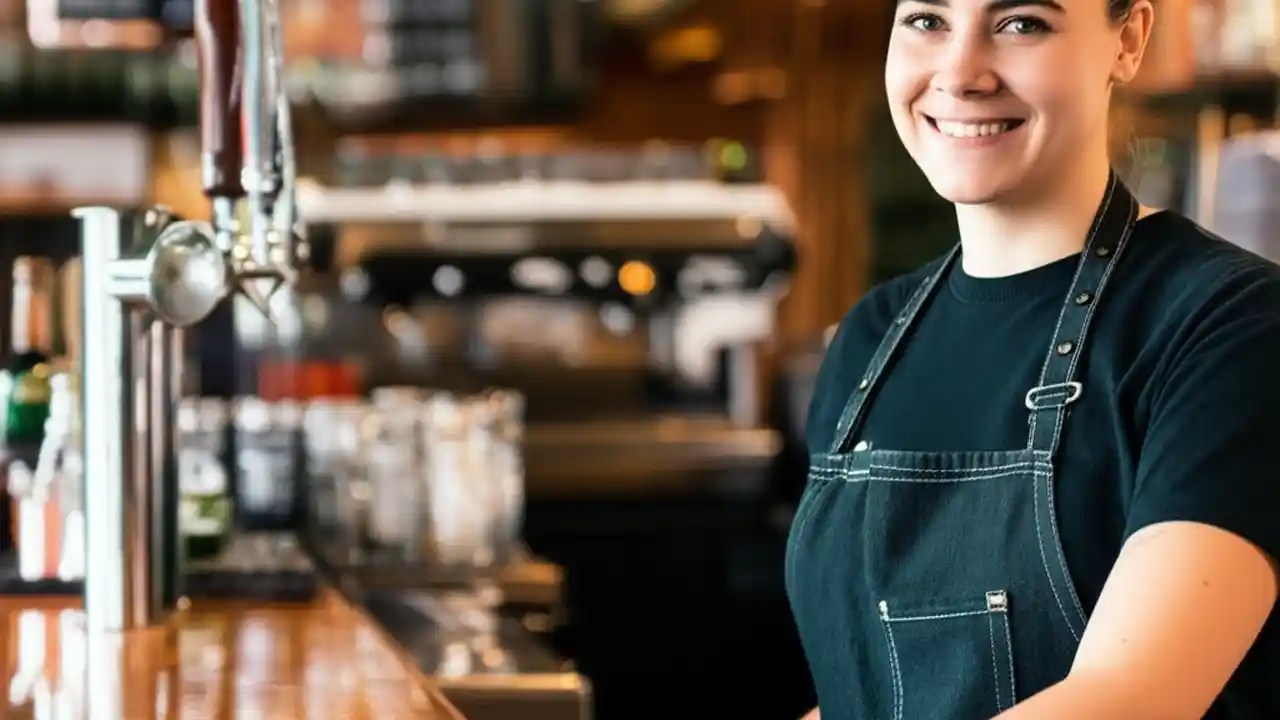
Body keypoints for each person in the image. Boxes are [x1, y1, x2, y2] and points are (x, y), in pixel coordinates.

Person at [785, 0, 1280, 718]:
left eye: (1021, 23)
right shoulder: (870, 341)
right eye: (928, 21)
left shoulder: (1229, 327)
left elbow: (1132, 699)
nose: (960, 73)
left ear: (1129, 39)